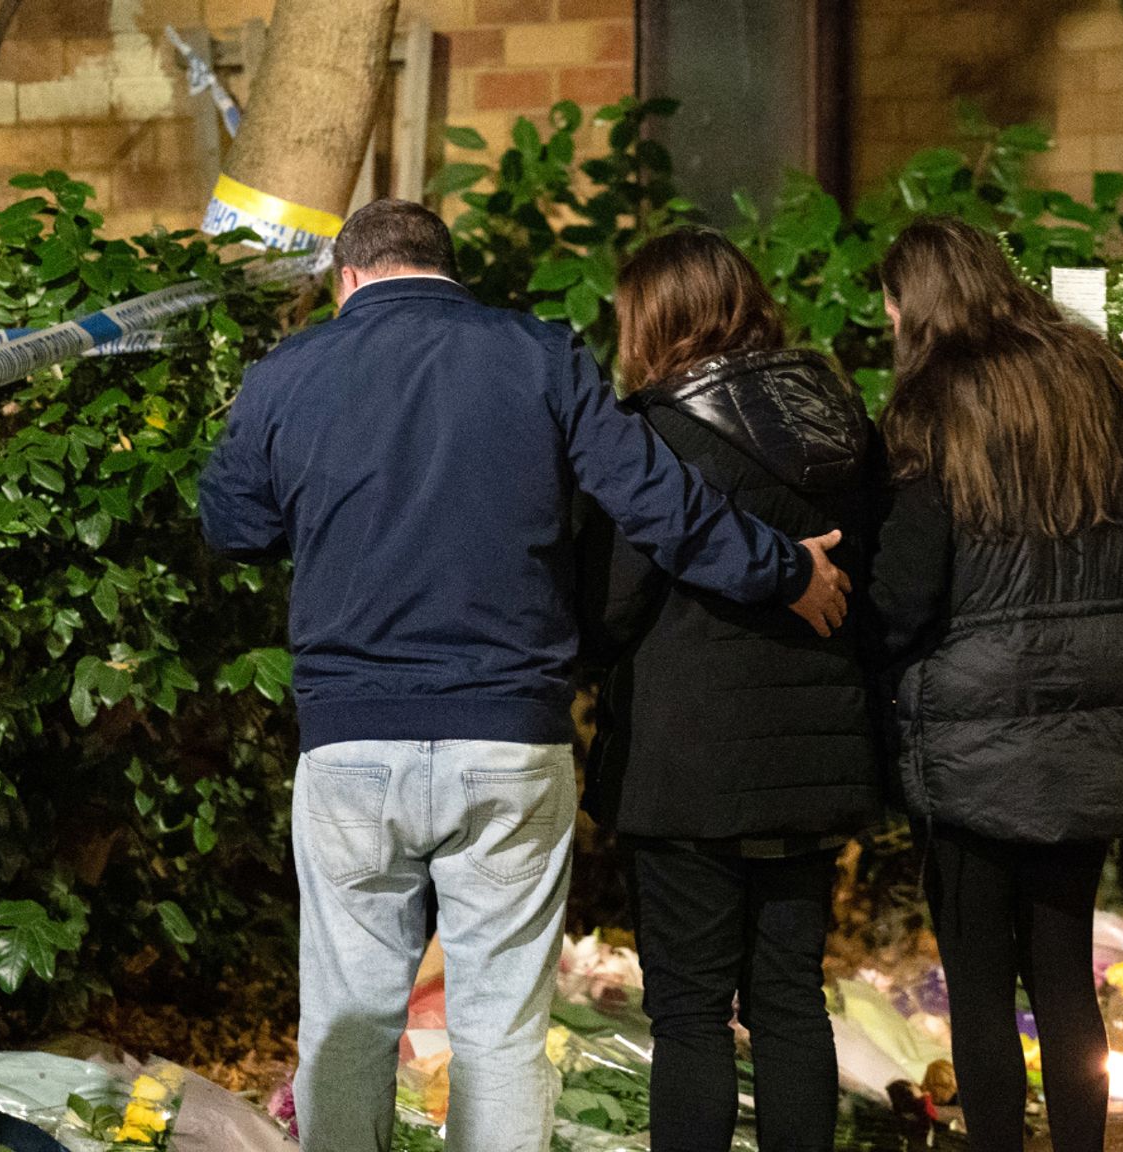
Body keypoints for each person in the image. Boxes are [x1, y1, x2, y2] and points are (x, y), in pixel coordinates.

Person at [198, 199, 853, 1152]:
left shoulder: (288, 371)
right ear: (448, 269)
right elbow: (657, 502)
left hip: (351, 739)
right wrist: (786, 571)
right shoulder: (537, 354)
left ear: (346, 279)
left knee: (350, 1022)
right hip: (509, 732)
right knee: (500, 1030)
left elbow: (231, 523)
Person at [867, 217, 1123, 1152]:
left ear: (912, 303)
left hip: (974, 737)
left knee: (983, 984)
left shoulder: (930, 407)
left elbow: (908, 589)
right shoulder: (1092, 382)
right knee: (1065, 969)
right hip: (1093, 716)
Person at [578, 228, 882, 1152]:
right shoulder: (835, 415)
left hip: (687, 764)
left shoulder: (655, 436)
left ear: (655, 320)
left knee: (690, 1014)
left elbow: (614, 603)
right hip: (812, 755)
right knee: (790, 999)